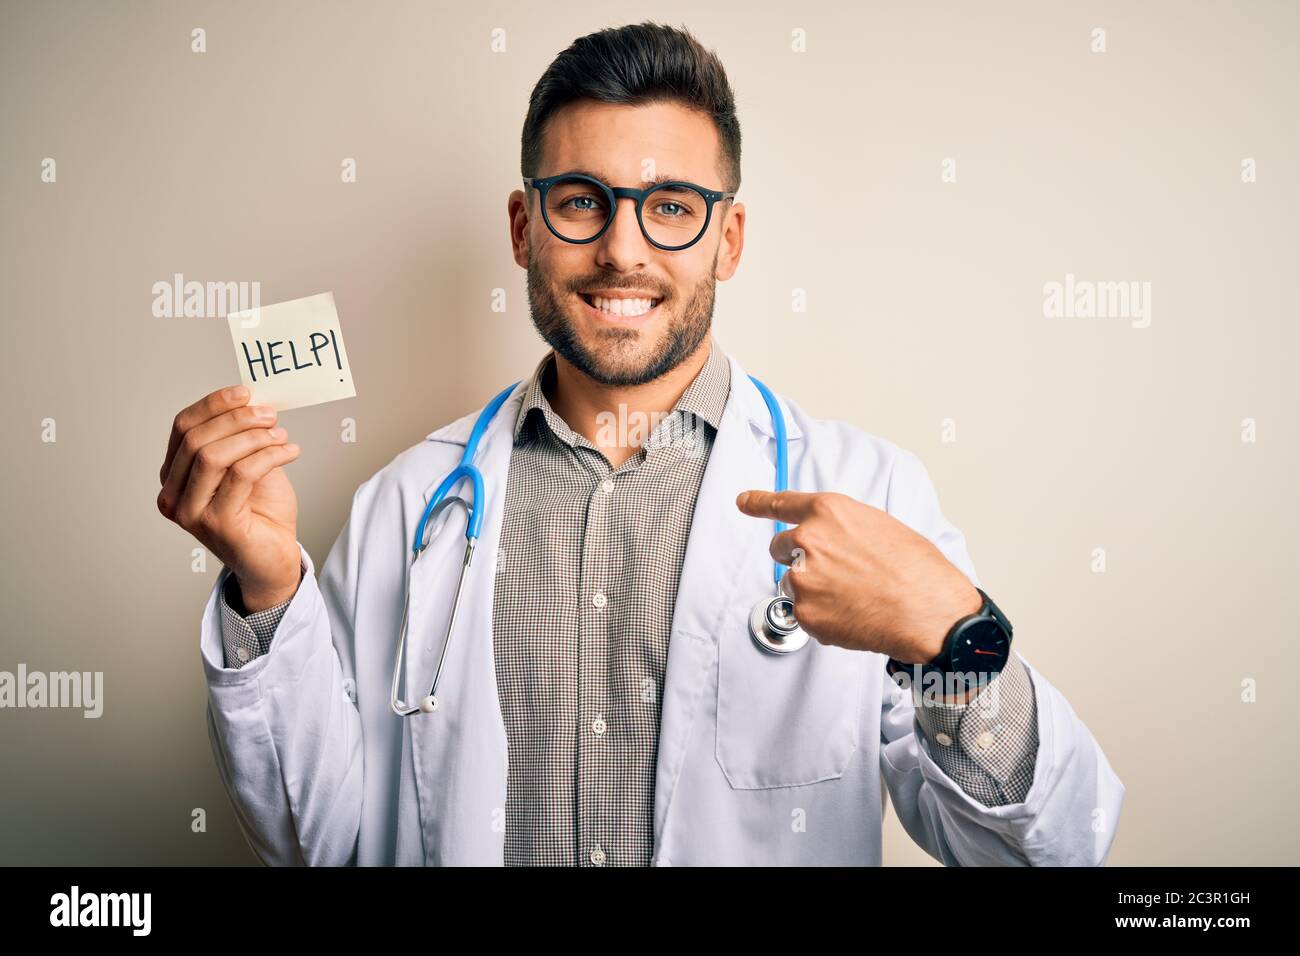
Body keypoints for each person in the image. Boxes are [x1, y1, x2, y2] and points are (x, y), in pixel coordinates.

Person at [156, 21, 1123, 866]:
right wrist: (268, 589)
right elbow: (312, 843)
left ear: (729, 240)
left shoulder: (867, 492)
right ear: (523, 228)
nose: (624, 249)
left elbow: (1048, 850)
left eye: (670, 207)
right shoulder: (406, 507)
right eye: (581, 201)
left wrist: (955, 636)